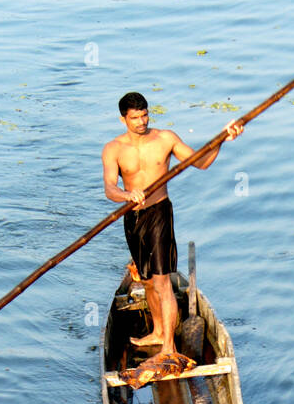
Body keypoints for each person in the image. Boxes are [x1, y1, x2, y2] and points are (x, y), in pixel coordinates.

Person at [102, 92, 243, 356]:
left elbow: (201, 162)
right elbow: (110, 188)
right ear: (123, 119)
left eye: (145, 115)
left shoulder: (165, 138)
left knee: (162, 280)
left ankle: (168, 347)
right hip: (132, 217)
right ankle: (157, 332)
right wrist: (126, 195)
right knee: (145, 281)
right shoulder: (113, 149)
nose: (142, 122)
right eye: (135, 118)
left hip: (159, 214)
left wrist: (223, 138)